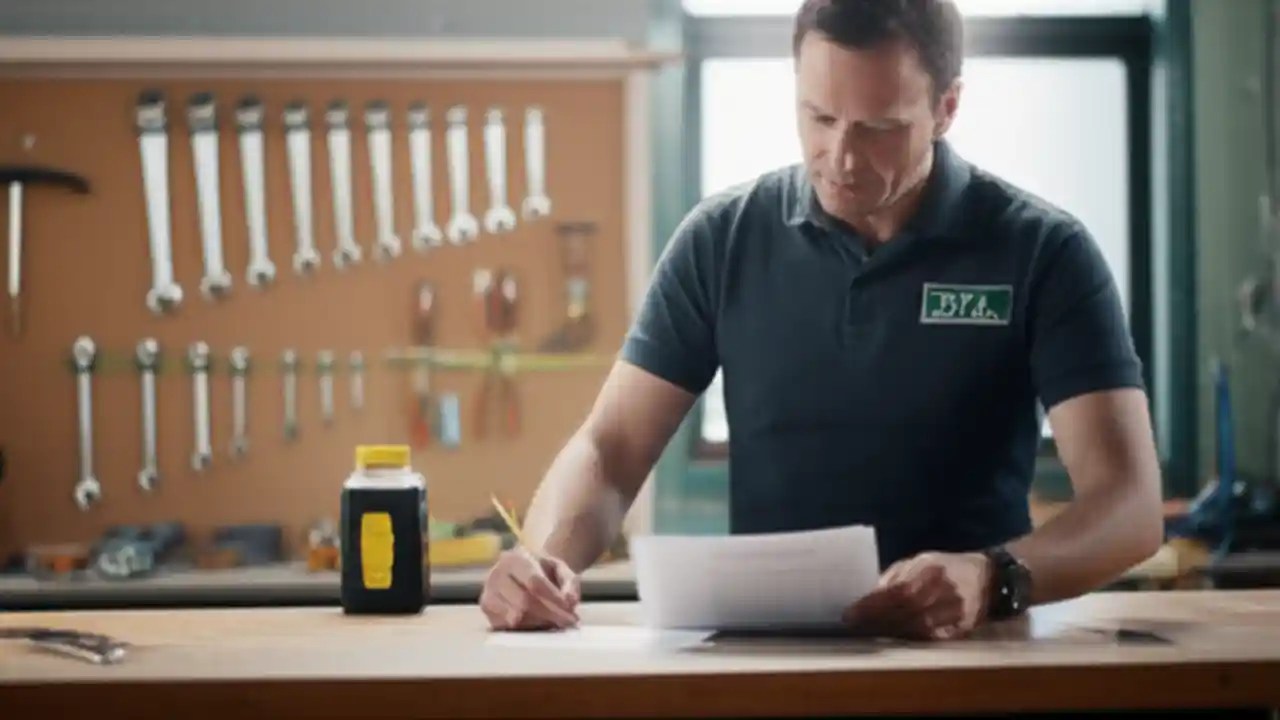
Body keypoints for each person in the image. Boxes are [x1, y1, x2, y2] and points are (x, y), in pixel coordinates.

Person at [479, 0, 1163, 640]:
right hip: (772, 667)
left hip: (971, 660)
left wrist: (996, 578)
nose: (840, 157)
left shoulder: (1043, 251)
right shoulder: (721, 240)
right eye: (819, 117)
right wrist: (540, 564)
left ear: (947, 107)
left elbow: (1129, 506)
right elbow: (610, 450)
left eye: (879, 129)